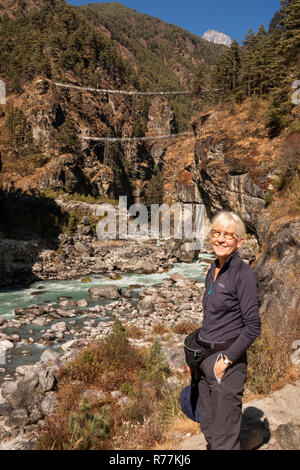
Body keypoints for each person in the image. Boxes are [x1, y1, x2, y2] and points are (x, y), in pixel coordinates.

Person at [196, 210, 261, 450]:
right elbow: (210, 318)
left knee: (225, 441)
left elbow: (253, 326)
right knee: (209, 428)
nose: (221, 239)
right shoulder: (212, 269)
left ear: (240, 241)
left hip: (226, 365)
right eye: (216, 233)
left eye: (228, 235)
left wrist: (225, 361)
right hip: (204, 360)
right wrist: (197, 363)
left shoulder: (242, 275)